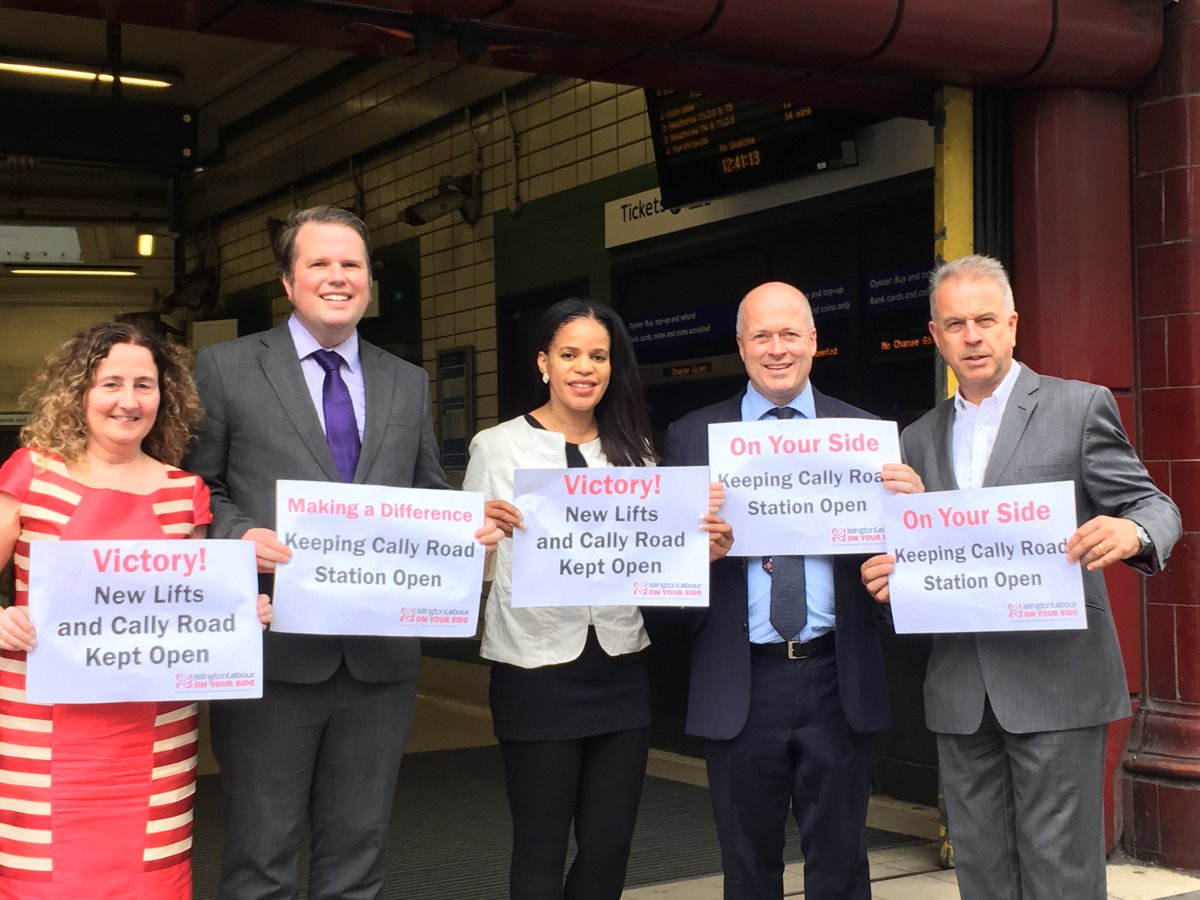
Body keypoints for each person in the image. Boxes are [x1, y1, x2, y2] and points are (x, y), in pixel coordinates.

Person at [185, 205, 500, 899]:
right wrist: (237, 535)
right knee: (261, 855)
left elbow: (426, 494)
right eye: (319, 263)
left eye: (351, 264)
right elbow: (194, 487)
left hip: (379, 663)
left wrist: (459, 534)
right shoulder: (227, 368)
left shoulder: (405, 381)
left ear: (368, 281)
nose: (337, 277)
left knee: (358, 854)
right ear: (287, 281)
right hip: (271, 653)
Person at [860, 254, 1182, 899]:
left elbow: (1156, 505)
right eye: (955, 324)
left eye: (985, 320)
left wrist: (1133, 532)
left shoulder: (1077, 407)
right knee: (981, 874)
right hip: (960, 687)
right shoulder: (915, 439)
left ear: (1012, 325)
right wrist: (895, 574)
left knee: (1060, 874)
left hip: (1058, 680)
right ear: (935, 336)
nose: (971, 336)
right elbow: (922, 554)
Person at [464, 298, 731, 900]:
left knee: (610, 845)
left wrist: (703, 549)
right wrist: (478, 537)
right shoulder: (496, 447)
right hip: (533, 668)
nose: (585, 367)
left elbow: (662, 553)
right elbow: (470, 570)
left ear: (614, 367)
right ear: (543, 363)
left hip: (619, 666)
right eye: (569, 354)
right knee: (540, 844)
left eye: (599, 355)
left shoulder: (635, 448)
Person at [663, 281, 919, 900]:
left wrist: (911, 518)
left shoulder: (867, 436)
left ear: (813, 341)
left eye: (789, 334)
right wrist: (692, 554)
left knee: (842, 867)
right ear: (740, 347)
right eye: (761, 336)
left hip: (838, 675)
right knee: (747, 872)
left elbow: (906, 570)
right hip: (740, 681)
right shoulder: (690, 437)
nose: (776, 349)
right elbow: (663, 579)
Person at [0, 319, 270, 897]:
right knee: (42, 880)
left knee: (148, 877)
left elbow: (193, 608)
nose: (128, 401)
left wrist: (238, 620)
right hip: (41, 726)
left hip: (154, 732)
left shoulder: (185, 492)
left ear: (163, 396)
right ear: (79, 392)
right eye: (110, 383)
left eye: (144, 385)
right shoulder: (31, 474)